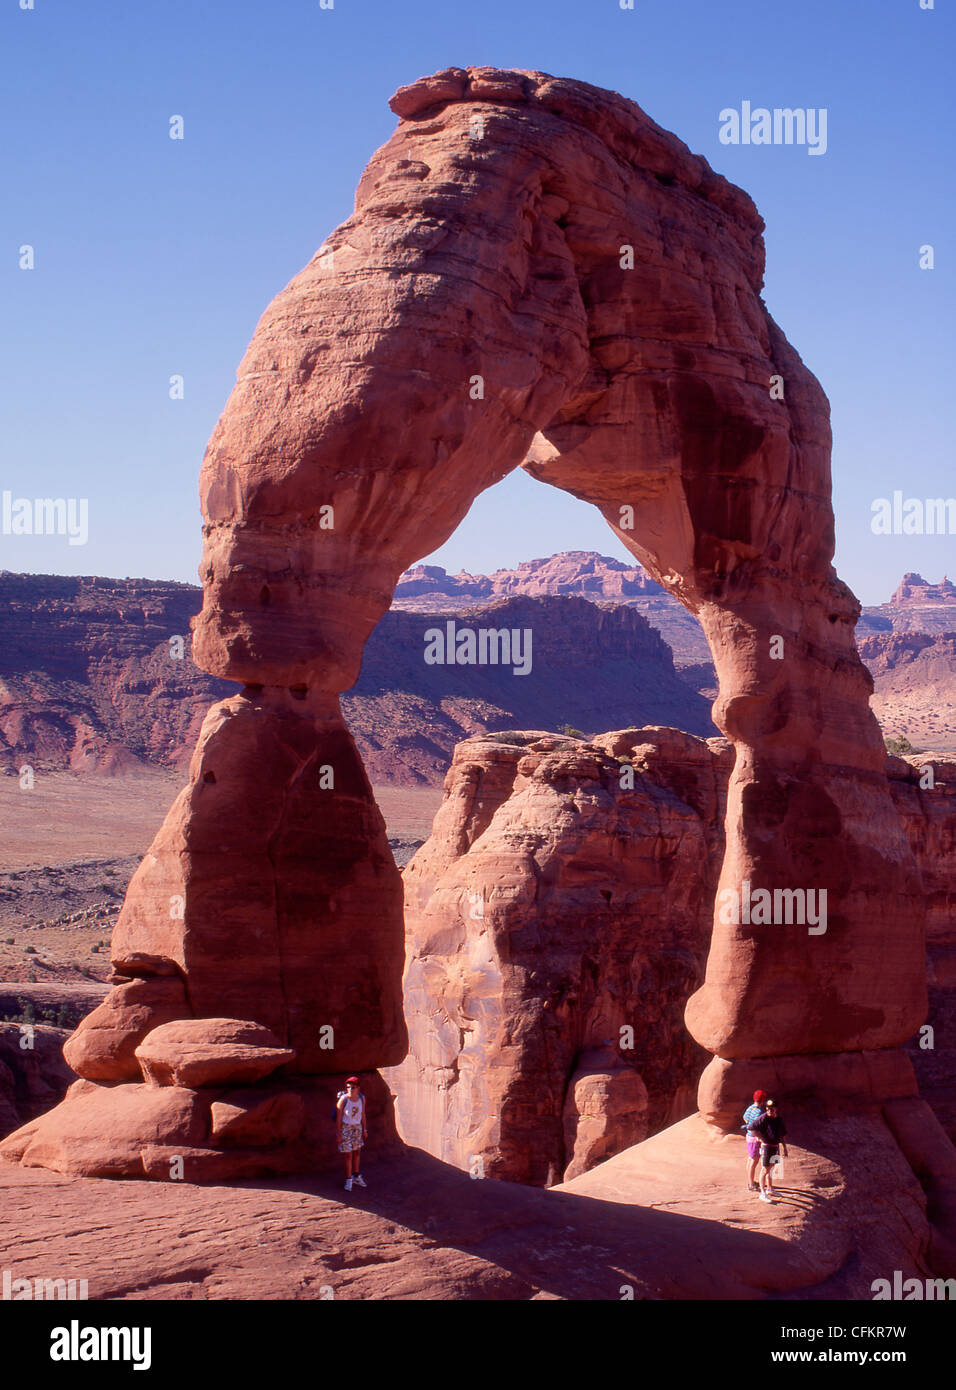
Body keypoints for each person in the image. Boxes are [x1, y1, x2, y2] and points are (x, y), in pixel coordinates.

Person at [752, 1099, 788, 1202]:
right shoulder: (763, 1118)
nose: (769, 1110)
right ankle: (762, 1193)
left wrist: (785, 1147)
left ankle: (770, 1189)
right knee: (764, 1170)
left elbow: (783, 1134)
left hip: (775, 1146)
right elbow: (752, 1128)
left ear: (776, 1109)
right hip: (767, 1147)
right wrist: (759, 1138)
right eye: (767, 1108)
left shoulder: (779, 1119)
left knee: (771, 1169)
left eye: (771, 1109)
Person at [337, 1076, 368, 1192]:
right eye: (348, 1087)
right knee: (348, 1155)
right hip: (346, 1128)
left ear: (358, 1088)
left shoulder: (362, 1098)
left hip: (357, 1128)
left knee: (357, 1152)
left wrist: (365, 1129)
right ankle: (348, 1179)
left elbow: (363, 1114)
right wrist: (339, 1134)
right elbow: (339, 1119)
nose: (350, 1089)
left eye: (353, 1087)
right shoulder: (343, 1100)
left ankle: (356, 1176)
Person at [741, 1089, 768, 1192]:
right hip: (754, 1138)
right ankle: (751, 1184)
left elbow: (745, 1118)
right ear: (762, 1100)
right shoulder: (759, 1112)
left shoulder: (750, 1108)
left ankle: (750, 1181)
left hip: (749, 1136)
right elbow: (758, 1126)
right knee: (754, 1160)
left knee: (750, 1159)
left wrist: (749, 1124)